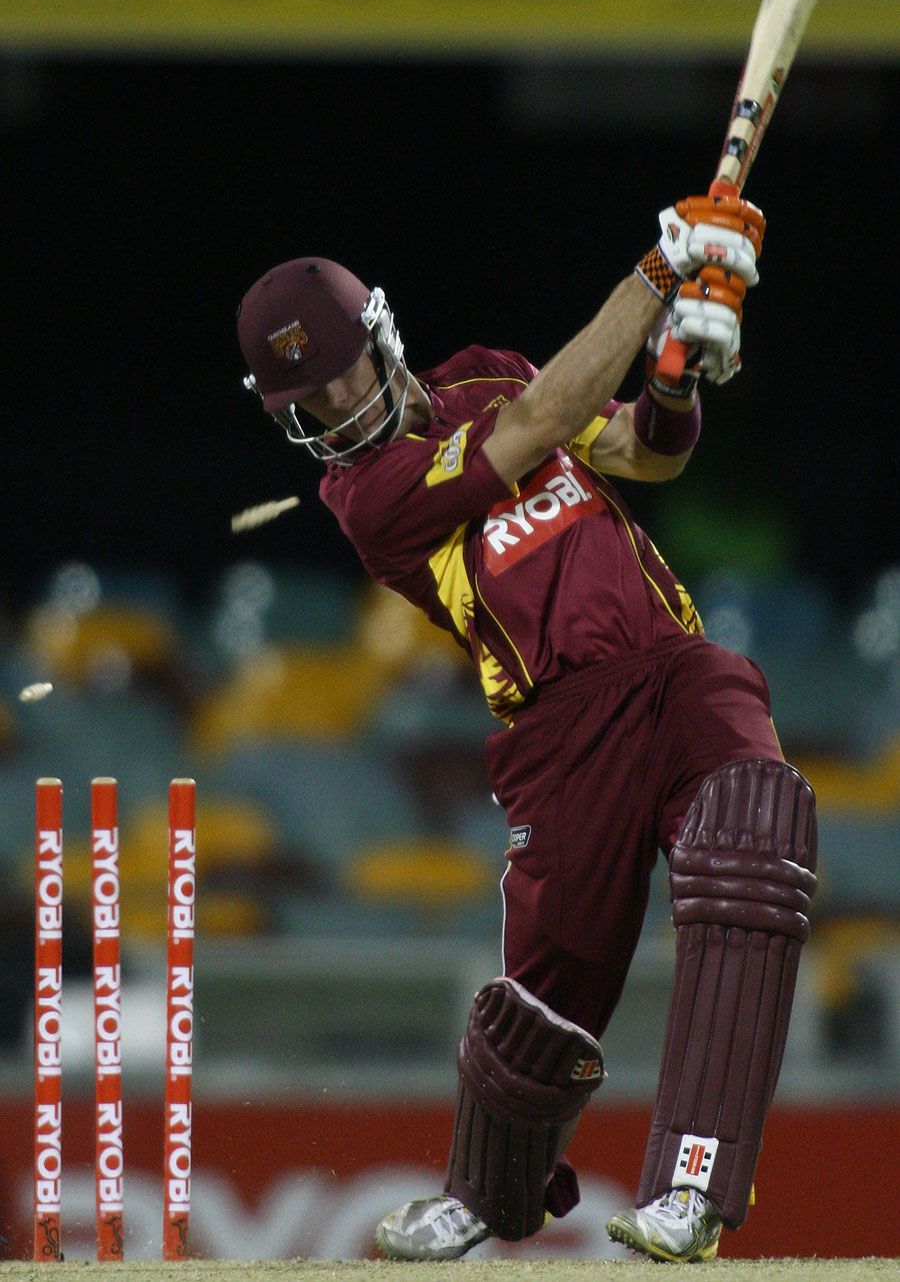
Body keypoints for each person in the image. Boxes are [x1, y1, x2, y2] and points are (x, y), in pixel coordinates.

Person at [236, 195, 817, 1264]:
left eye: (339, 378)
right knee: (541, 1014)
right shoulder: (366, 498)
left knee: (752, 836)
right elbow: (545, 423)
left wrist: (678, 375)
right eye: (305, 404)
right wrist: (660, 272)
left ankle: (693, 1185)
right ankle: (483, 1193)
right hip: (556, 732)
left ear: (382, 338)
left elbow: (642, 453)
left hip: (675, 668)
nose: (332, 412)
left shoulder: (490, 375)